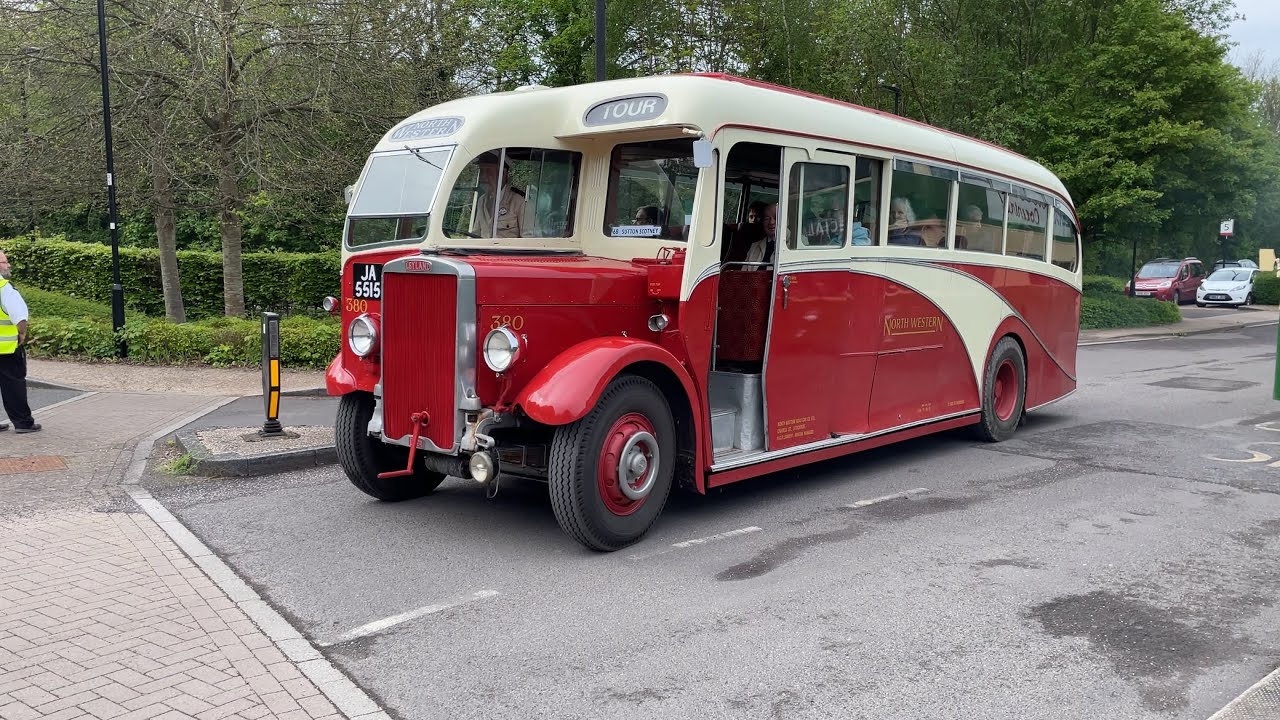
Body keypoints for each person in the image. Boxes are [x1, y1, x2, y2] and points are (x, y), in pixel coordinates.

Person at [0, 251, 38, 433]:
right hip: (6, 348)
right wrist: (22, 334)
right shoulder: (4, 288)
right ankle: (23, 422)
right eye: (5, 262)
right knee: (13, 384)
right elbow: (20, 317)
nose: (7, 266)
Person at [470, 153, 532, 238]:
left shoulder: (519, 203)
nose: (483, 177)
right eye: (481, 171)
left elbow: (529, 241)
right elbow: (475, 234)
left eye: (488, 171)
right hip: (482, 251)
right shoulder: (482, 200)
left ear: (503, 173)